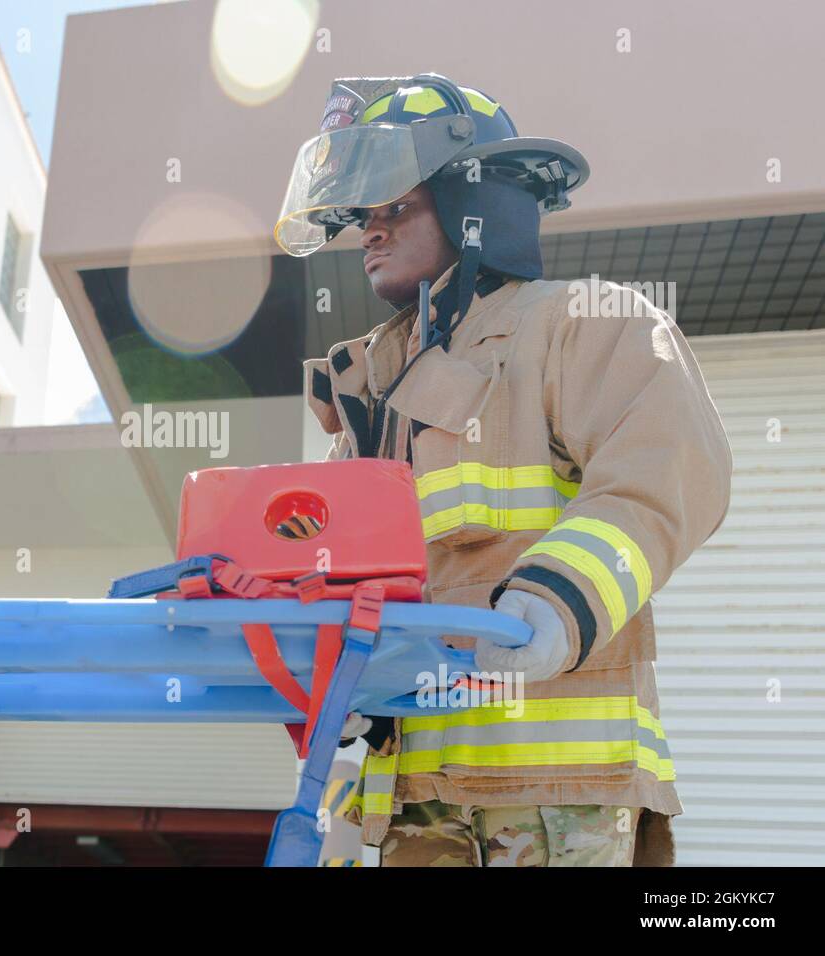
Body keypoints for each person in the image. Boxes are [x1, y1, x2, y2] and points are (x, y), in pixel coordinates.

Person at [278, 74, 732, 866]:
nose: (370, 235)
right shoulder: (373, 384)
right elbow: (340, 564)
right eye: (362, 218)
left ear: (471, 203)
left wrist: (559, 600)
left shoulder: (584, 324)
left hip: (557, 802)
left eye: (395, 208)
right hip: (407, 802)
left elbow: (670, 470)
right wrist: (324, 668)